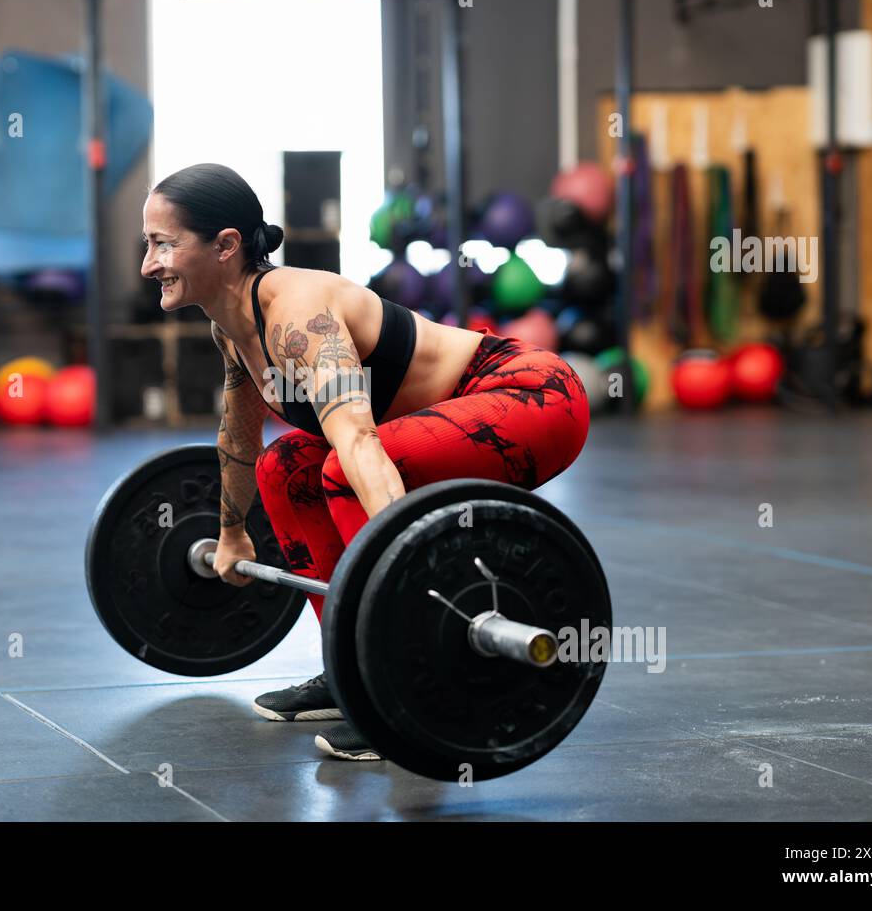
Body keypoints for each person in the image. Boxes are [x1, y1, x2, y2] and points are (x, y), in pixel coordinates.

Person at [141, 163, 590, 762]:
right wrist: (231, 534)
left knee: (337, 473)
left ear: (224, 246)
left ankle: (403, 676)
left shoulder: (299, 315)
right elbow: (241, 438)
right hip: (447, 418)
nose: (149, 265)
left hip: (530, 397)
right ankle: (351, 668)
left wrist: (422, 576)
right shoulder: (233, 327)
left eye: (163, 244)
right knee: (286, 470)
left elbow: (357, 444)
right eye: (149, 245)